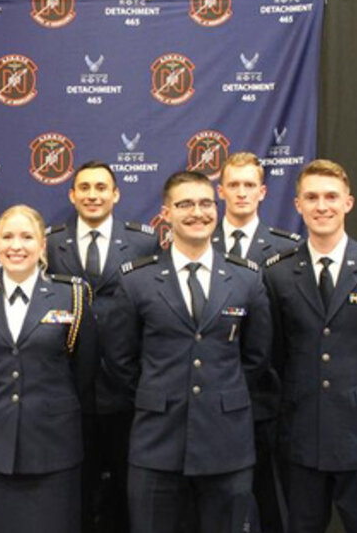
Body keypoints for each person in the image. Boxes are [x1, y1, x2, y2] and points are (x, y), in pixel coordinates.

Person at [103, 170, 272, 533]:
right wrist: (158, 393)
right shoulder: (137, 280)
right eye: (185, 204)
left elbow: (257, 357)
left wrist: (219, 392)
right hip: (157, 442)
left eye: (206, 203)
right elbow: (120, 360)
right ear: (166, 213)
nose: (198, 212)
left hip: (226, 442)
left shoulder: (246, 277)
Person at [263, 159, 357, 533]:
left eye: (331, 197)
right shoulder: (277, 272)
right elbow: (274, 352)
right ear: (297, 204)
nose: (322, 206)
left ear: (348, 202)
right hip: (302, 436)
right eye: (311, 197)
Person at [0, 204, 98, 533]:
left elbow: (84, 368)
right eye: (7, 236)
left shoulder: (71, 296)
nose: (16, 246)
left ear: (42, 245)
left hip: (53, 443)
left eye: (26, 237)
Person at [45, 160, 160, 533]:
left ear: (116, 194)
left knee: (128, 487)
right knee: (75, 486)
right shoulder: (50, 240)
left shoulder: (143, 241)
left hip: (125, 387)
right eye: (84, 188)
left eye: (100, 187)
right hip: (68, 386)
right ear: (71, 195)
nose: (92, 195)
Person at [214, 151, 301, 533]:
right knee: (213, 506)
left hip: (267, 399)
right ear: (221, 191)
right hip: (210, 399)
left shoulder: (287, 250)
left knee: (273, 502)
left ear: (263, 191)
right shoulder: (196, 242)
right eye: (234, 184)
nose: (242, 192)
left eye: (250, 185)